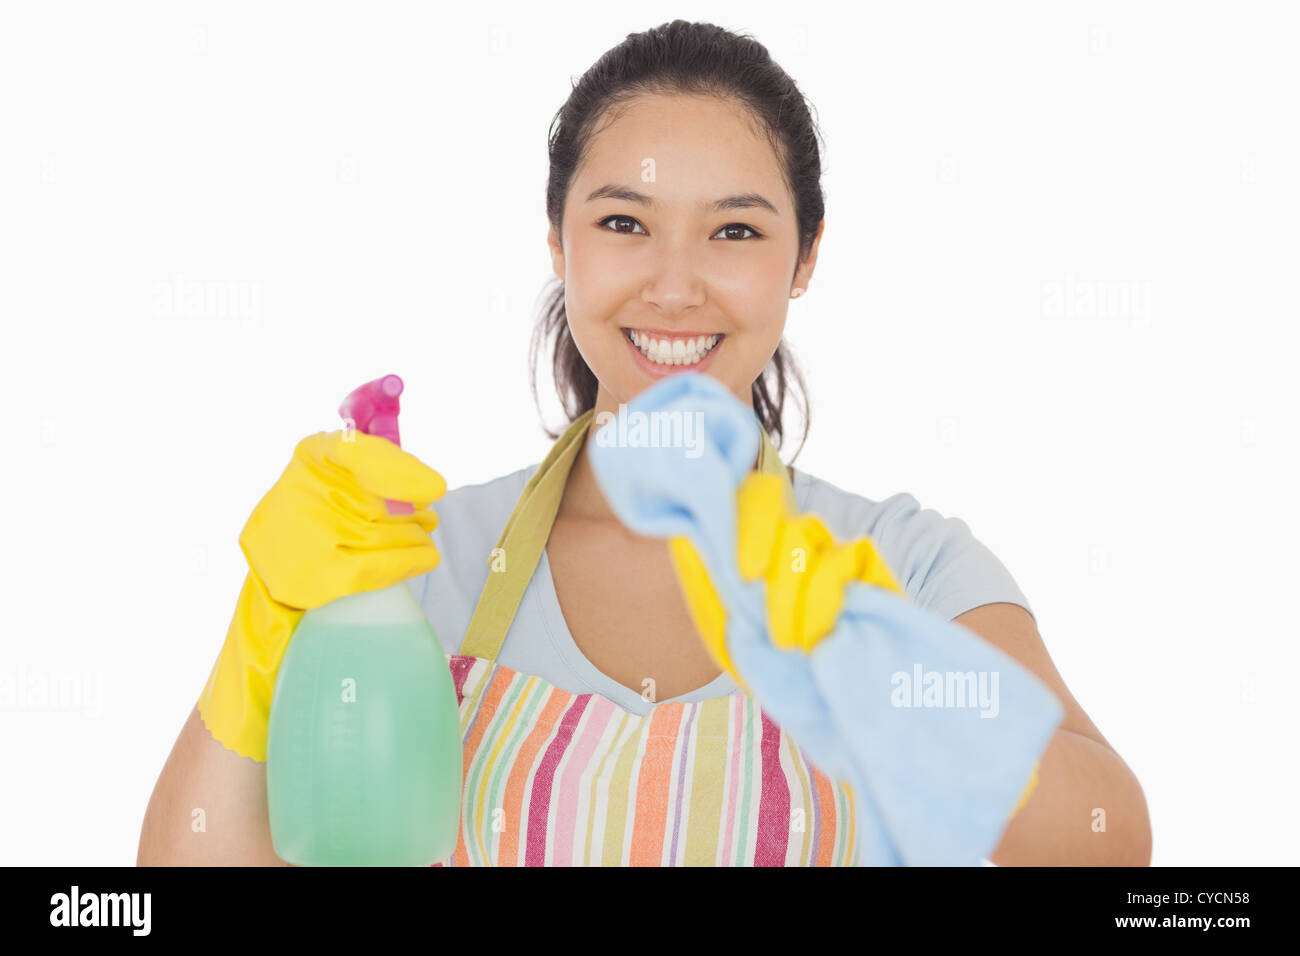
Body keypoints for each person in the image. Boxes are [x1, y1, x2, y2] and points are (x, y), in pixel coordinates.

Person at [138, 19, 1151, 867]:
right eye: (624, 222)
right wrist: (268, 626)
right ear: (556, 240)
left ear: (806, 258)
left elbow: (1106, 840)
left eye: (736, 231)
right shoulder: (410, 562)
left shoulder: (906, 563)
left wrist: (883, 667)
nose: (674, 285)